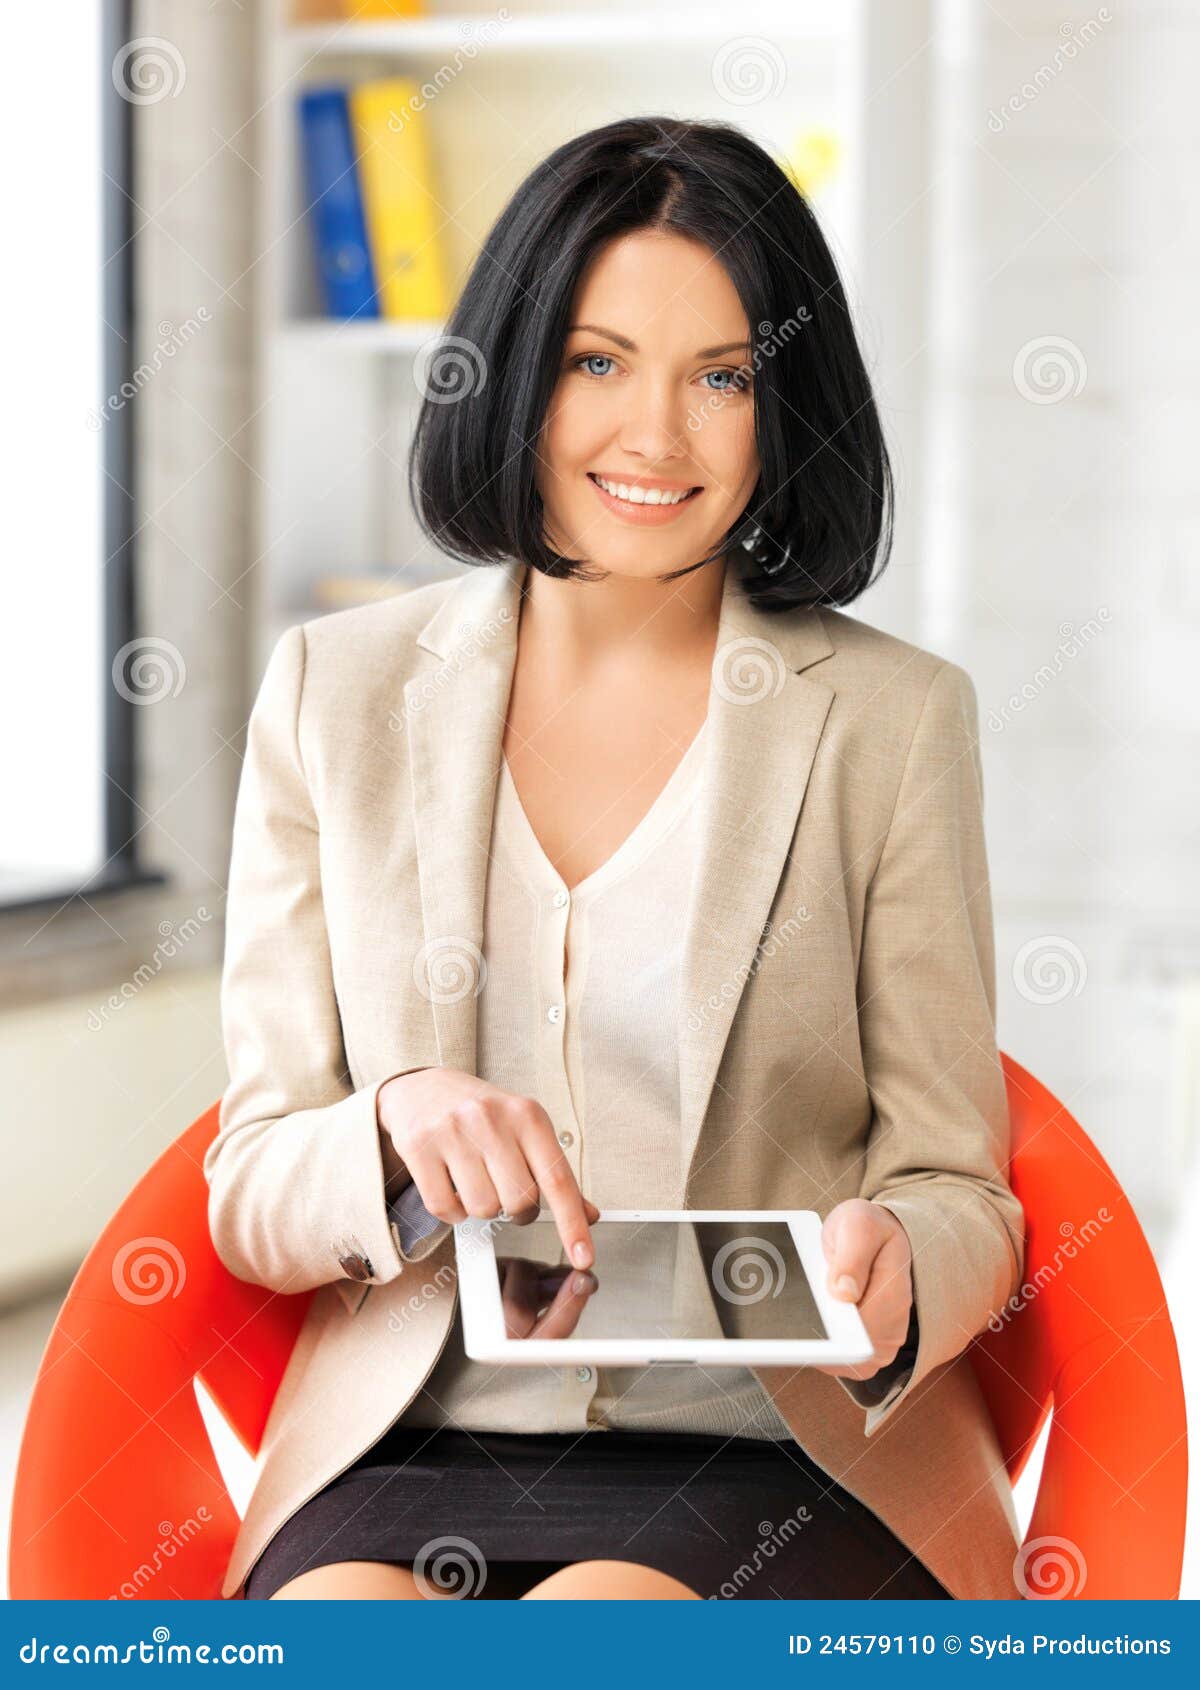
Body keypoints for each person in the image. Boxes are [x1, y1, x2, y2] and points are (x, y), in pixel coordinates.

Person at [206, 116, 1026, 1603]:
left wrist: (897, 1251)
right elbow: (253, 1177)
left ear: (788, 412)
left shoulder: (896, 723)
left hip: (771, 1455)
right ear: (513, 376)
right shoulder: (334, 695)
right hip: (418, 1436)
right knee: (344, 1638)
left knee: (593, 1627)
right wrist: (389, 1123)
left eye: (723, 377)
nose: (656, 437)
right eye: (598, 363)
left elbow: (959, 1181)